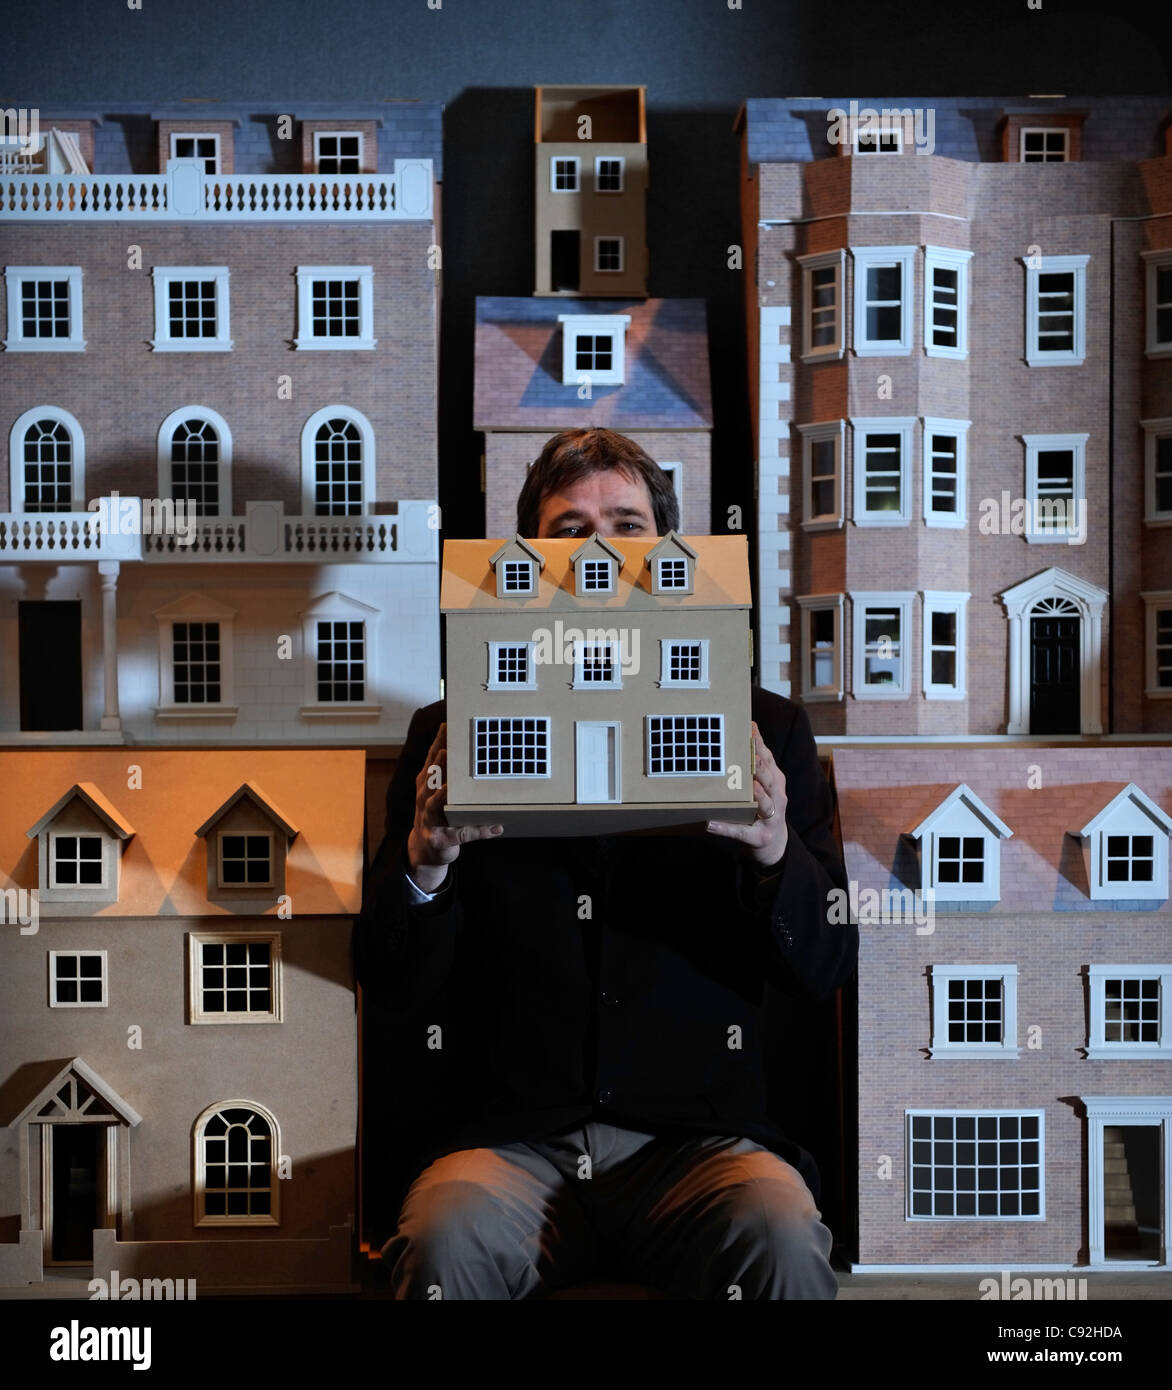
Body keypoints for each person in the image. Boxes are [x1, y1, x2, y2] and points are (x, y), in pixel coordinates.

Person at [354, 428, 855, 1299]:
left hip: (698, 1144)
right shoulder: (451, 730)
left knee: (780, 1232)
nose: (600, 553)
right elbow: (389, 977)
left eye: (626, 525)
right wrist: (423, 866)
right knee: (442, 1243)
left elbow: (823, 968)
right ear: (525, 558)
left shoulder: (765, 730)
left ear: (668, 550)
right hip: (510, 1142)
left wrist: (774, 851)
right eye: (568, 530)